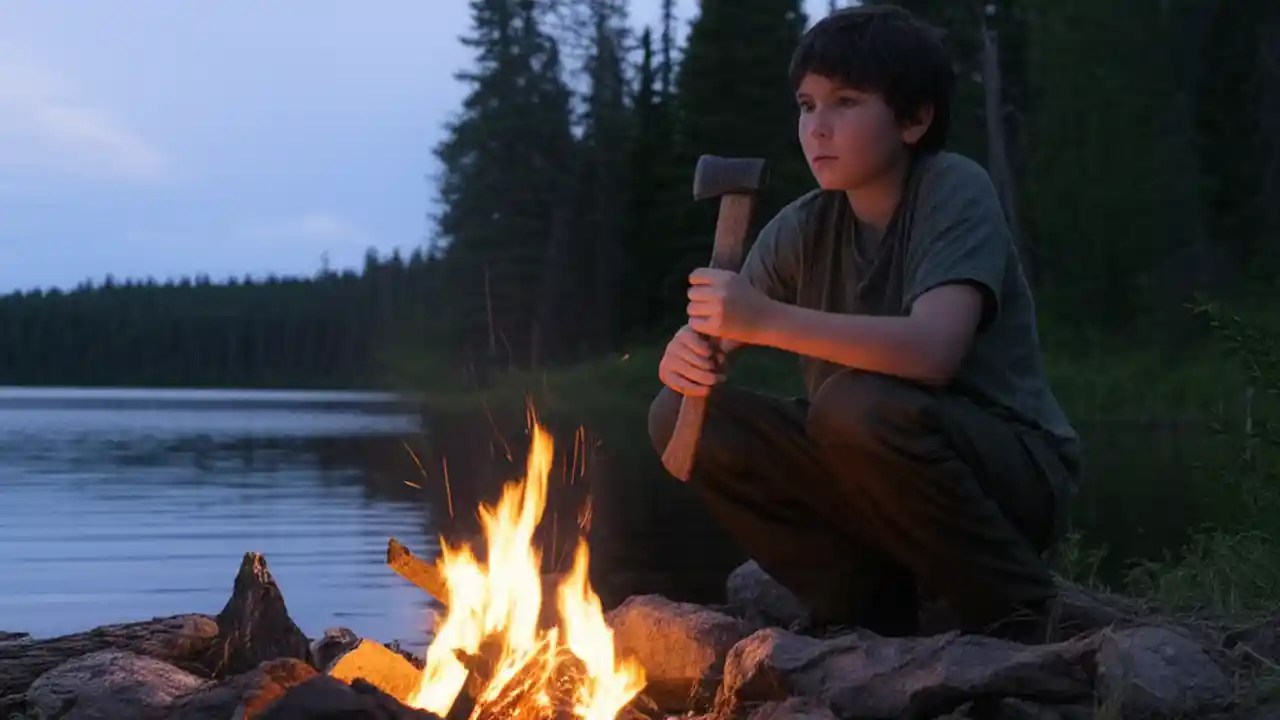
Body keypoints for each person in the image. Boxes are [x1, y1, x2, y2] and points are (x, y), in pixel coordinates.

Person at [647, 5, 1080, 641]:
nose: (817, 128)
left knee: (854, 405)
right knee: (679, 414)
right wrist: (685, 357)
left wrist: (765, 319)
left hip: (1007, 475)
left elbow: (934, 350)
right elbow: (728, 334)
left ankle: (1015, 611)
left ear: (914, 119)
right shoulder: (803, 225)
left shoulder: (952, 190)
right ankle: (864, 611)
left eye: (845, 103)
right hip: (868, 469)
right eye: (805, 105)